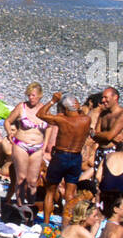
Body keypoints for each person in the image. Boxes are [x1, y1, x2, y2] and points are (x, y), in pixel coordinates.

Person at [37, 92, 91, 228]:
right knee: (70, 194)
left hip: (61, 155)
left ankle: (46, 223)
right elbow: (82, 111)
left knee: (50, 191)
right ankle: (66, 225)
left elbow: (40, 114)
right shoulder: (86, 120)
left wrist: (52, 101)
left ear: (66, 109)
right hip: (76, 157)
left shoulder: (62, 120)